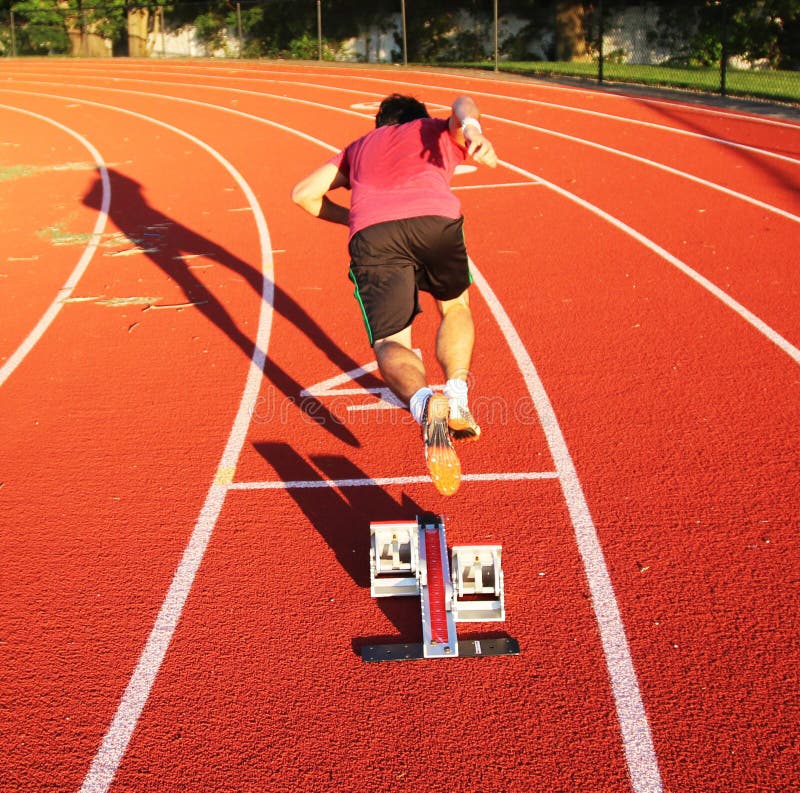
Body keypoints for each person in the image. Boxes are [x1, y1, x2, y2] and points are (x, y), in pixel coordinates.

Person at [291, 93, 497, 496]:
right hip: (435, 221)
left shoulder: (358, 148)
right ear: (418, 118)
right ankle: (456, 396)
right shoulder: (433, 130)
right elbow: (463, 102)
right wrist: (472, 129)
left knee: (391, 340)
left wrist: (353, 216)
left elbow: (303, 194)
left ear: (380, 125)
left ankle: (423, 403)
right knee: (455, 307)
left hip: (373, 234)